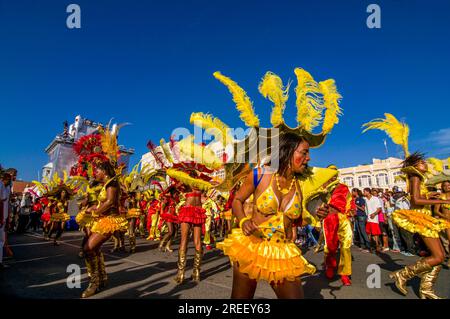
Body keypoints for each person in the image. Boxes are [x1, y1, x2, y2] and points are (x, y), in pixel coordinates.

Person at [363, 113, 450, 299]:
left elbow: (417, 196)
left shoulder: (416, 177)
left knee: (438, 255)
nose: (425, 163)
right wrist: (442, 200)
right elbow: (416, 201)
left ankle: (426, 288)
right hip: (421, 217)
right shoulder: (416, 176)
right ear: (416, 166)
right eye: (422, 162)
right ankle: (402, 275)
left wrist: (430, 194)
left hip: (424, 217)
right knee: (438, 257)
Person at [321, 165, 353, 286]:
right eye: (330, 173)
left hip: (343, 219)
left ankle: (344, 273)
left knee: (346, 247)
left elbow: (350, 201)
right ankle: (330, 267)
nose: (332, 175)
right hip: (329, 219)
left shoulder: (343, 187)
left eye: (334, 173)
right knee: (330, 247)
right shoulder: (323, 188)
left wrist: (350, 212)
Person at [433, 179, 450, 267]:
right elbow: (436, 211)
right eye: (445, 186)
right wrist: (444, 216)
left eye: (448, 185)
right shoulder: (441, 197)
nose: (447, 187)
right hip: (446, 221)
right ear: (442, 187)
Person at [363, 187, 382, 253]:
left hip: (374, 219)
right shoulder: (365, 199)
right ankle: (371, 246)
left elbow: (379, 208)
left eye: (364, 191)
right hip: (368, 218)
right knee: (369, 233)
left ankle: (377, 246)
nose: (364, 193)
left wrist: (374, 214)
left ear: (368, 192)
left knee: (375, 234)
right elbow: (365, 209)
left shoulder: (375, 198)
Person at [0, 172, 12, 269]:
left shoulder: (6, 187)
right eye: (10, 179)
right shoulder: (1, 186)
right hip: (1, 217)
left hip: (3, 217)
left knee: (2, 240)